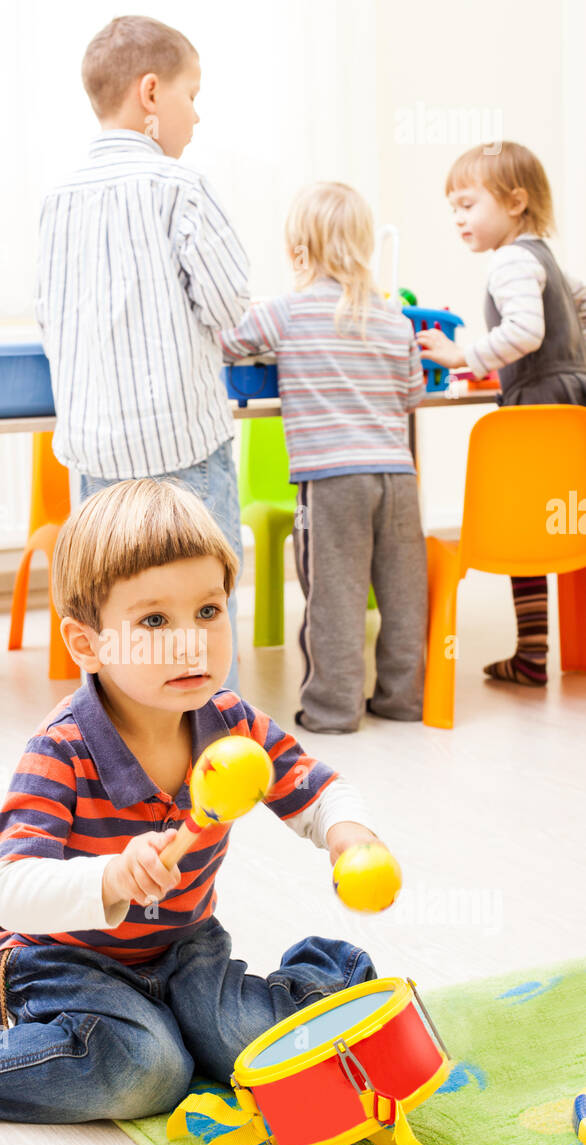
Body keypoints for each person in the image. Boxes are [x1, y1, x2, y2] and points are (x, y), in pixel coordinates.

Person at [0, 480, 387, 1122]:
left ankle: (326, 975)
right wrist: (110, 877)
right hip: (62, 959)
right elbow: (7, 889)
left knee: (247, 1049)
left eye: (208, 611)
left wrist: (350, 837)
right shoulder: (61, 750)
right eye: (154, 620)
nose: (190, 642)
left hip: (186, 944)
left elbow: (317, 790)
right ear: (87, 644)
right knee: (147, 1077)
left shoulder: (231, 722)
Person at [34, 14, 251, 691]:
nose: (197, 114)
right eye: (192, 94)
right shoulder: (180, 188)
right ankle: (214, 763)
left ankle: (129, 764)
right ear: (151, 93)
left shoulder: (57, 200)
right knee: (200, 616)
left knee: (120, 616)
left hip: (97, 458)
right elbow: (229, 305)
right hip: (183, 448)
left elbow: (48, 319)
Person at [220, 182, 427, 734]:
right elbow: (411, 394)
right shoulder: (395, 321)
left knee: (335, 596)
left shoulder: (286, 313)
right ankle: (403, 699)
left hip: (331, 481)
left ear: (297, 251)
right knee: (404, 592)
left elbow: (226, 343)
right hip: (398, 476)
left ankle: (333, 709)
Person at [416, 141, 586, 687]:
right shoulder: (547, 259)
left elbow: (525, 331)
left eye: (467, 205)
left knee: (521, 532)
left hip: (534, 413)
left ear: (515, 202)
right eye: (453, 209)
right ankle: (532, 654)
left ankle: (532, 652)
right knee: (557, 529)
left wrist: (462, 356)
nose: (458, 219)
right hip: (568, 407)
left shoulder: (511, 259)